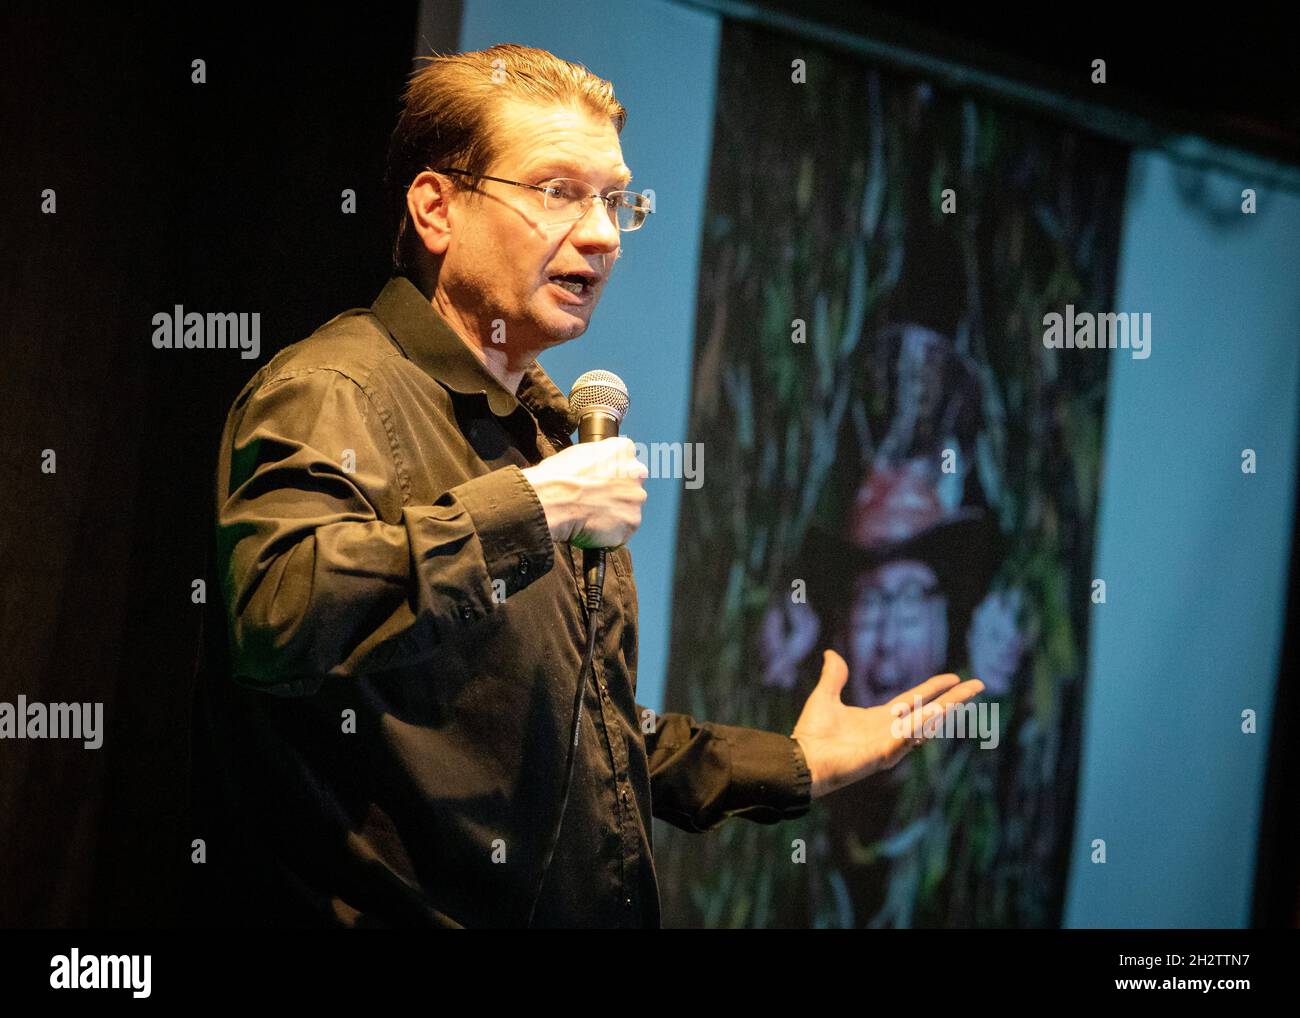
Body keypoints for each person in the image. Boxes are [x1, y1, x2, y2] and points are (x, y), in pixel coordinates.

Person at [194, 43, 984, 929]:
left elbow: (576, 733)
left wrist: (791, 763)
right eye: (557, 191)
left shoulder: (534, 428)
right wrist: (539, 509)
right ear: (436, 207)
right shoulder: (336, 389)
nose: (604, 233)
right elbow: (281, 610)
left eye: (614, 200)